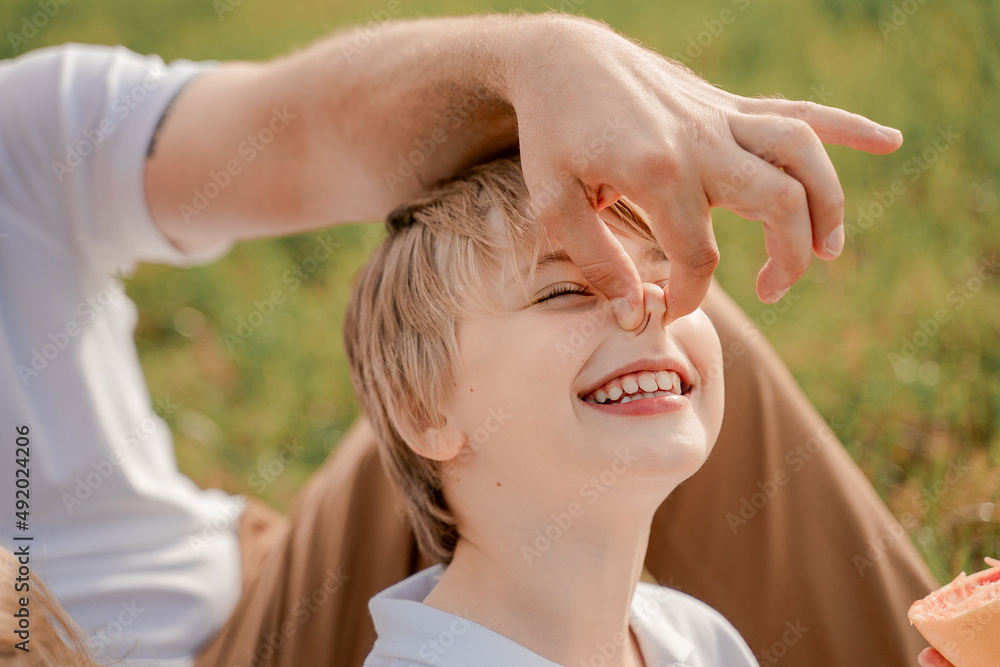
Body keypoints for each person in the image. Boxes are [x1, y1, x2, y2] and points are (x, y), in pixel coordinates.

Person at [0, 10, 937, 667]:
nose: (642, 305)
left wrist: (541, 62)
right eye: (561, 292)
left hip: (247, 600)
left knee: (628, 313)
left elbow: (294, 137)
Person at [345, 155, 756, 666]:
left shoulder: (704, 643)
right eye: (563, 291)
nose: (647, 304)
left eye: (665, 278)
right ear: (424, 412)